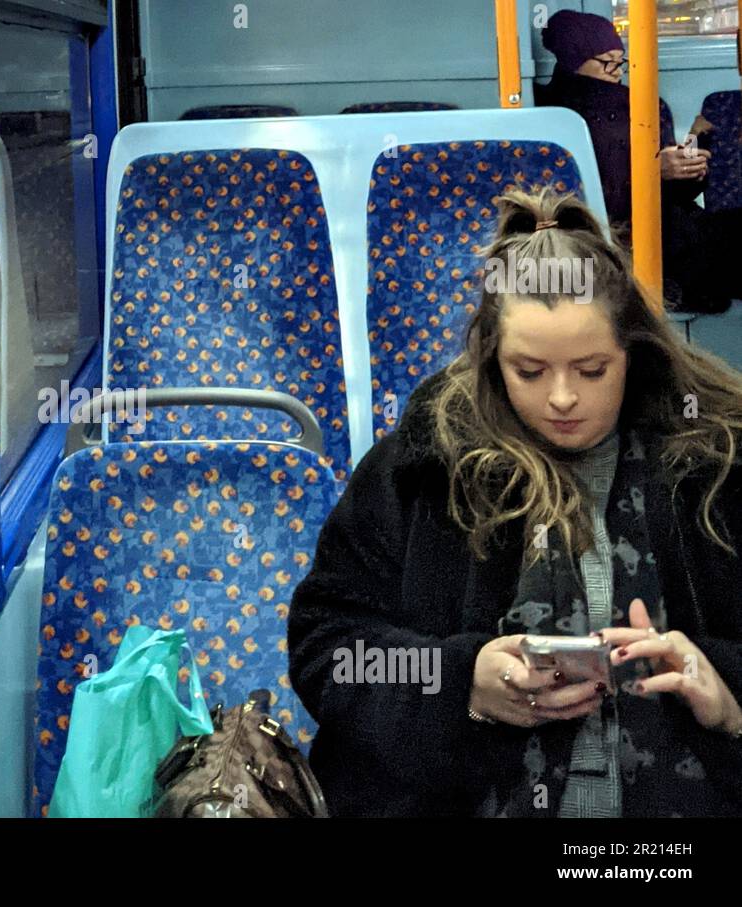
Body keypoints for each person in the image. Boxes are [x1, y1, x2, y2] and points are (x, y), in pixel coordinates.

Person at [288, 186, 742, 817]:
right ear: (491, 359)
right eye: (529, 371)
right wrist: (459, 683)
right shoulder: (422, 469)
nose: (562, 398)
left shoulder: (714, 465)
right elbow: (330, 653)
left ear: (632, 355)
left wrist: (726, 693)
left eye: (591, 370)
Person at [536, 10, 741, 314]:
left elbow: (669, 196)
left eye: (621, 60)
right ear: (573, 61)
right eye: (607, 61)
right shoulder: (558, 117)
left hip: (665, 229)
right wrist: (653, 172)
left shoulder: (639, 104)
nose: (617, 70)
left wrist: (686, 169)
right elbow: (593, 204)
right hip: (624, 242)